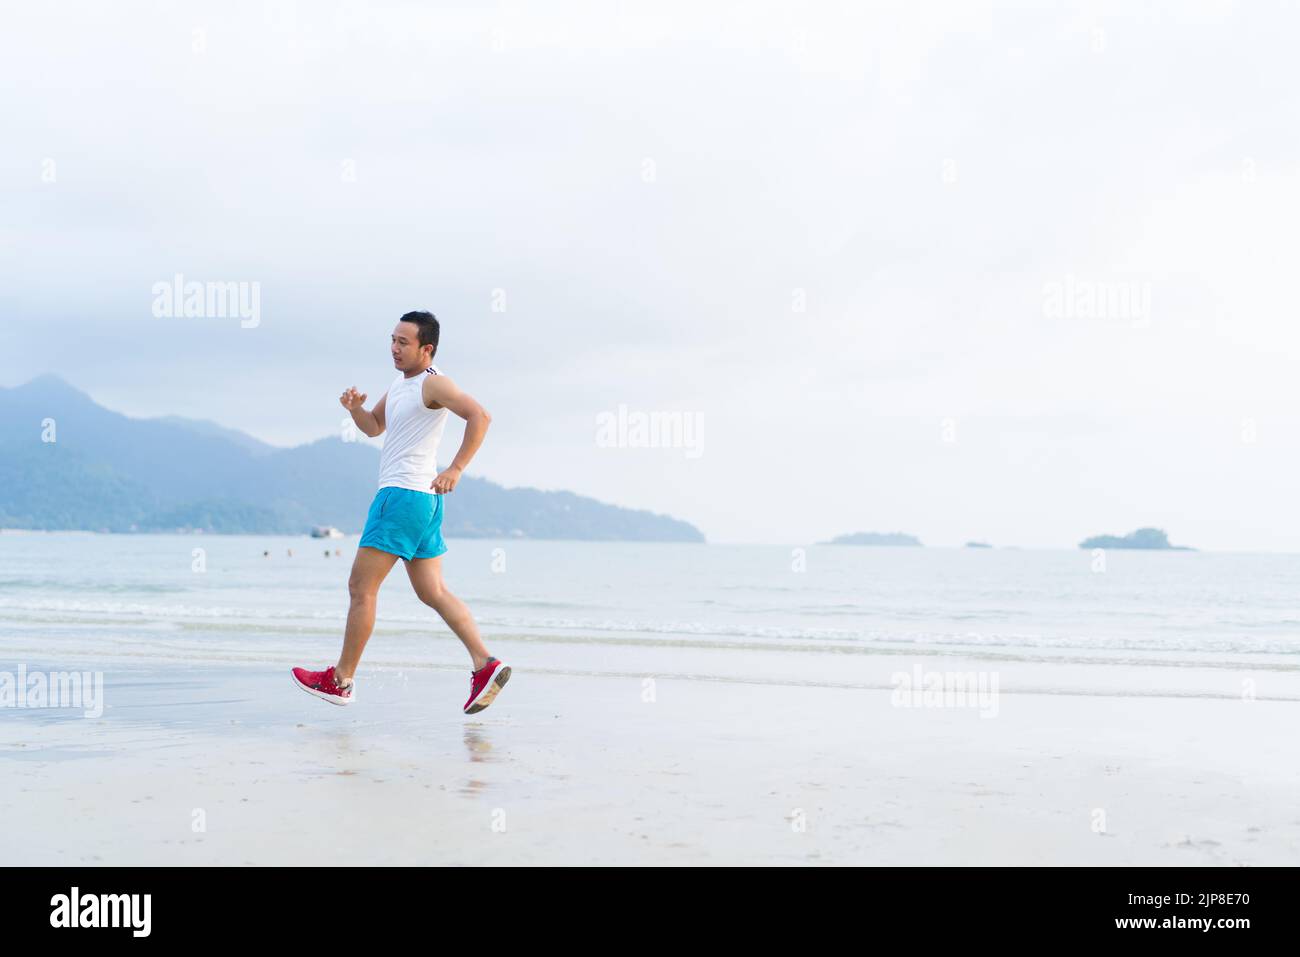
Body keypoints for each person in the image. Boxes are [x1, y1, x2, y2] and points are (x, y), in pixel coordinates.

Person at [291, 311, 510, 714]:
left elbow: (481, 415)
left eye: (403, 342)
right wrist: (355, 409)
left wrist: (457, 468)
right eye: (392, 340)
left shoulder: (434, 383)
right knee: (433, 592)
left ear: (427, 349)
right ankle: (485, 663)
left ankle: (341, 680)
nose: (394, 348)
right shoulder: (401, 383)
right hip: (422, 501)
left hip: (402, 496)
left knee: (361, 589)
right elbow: (375, 427)